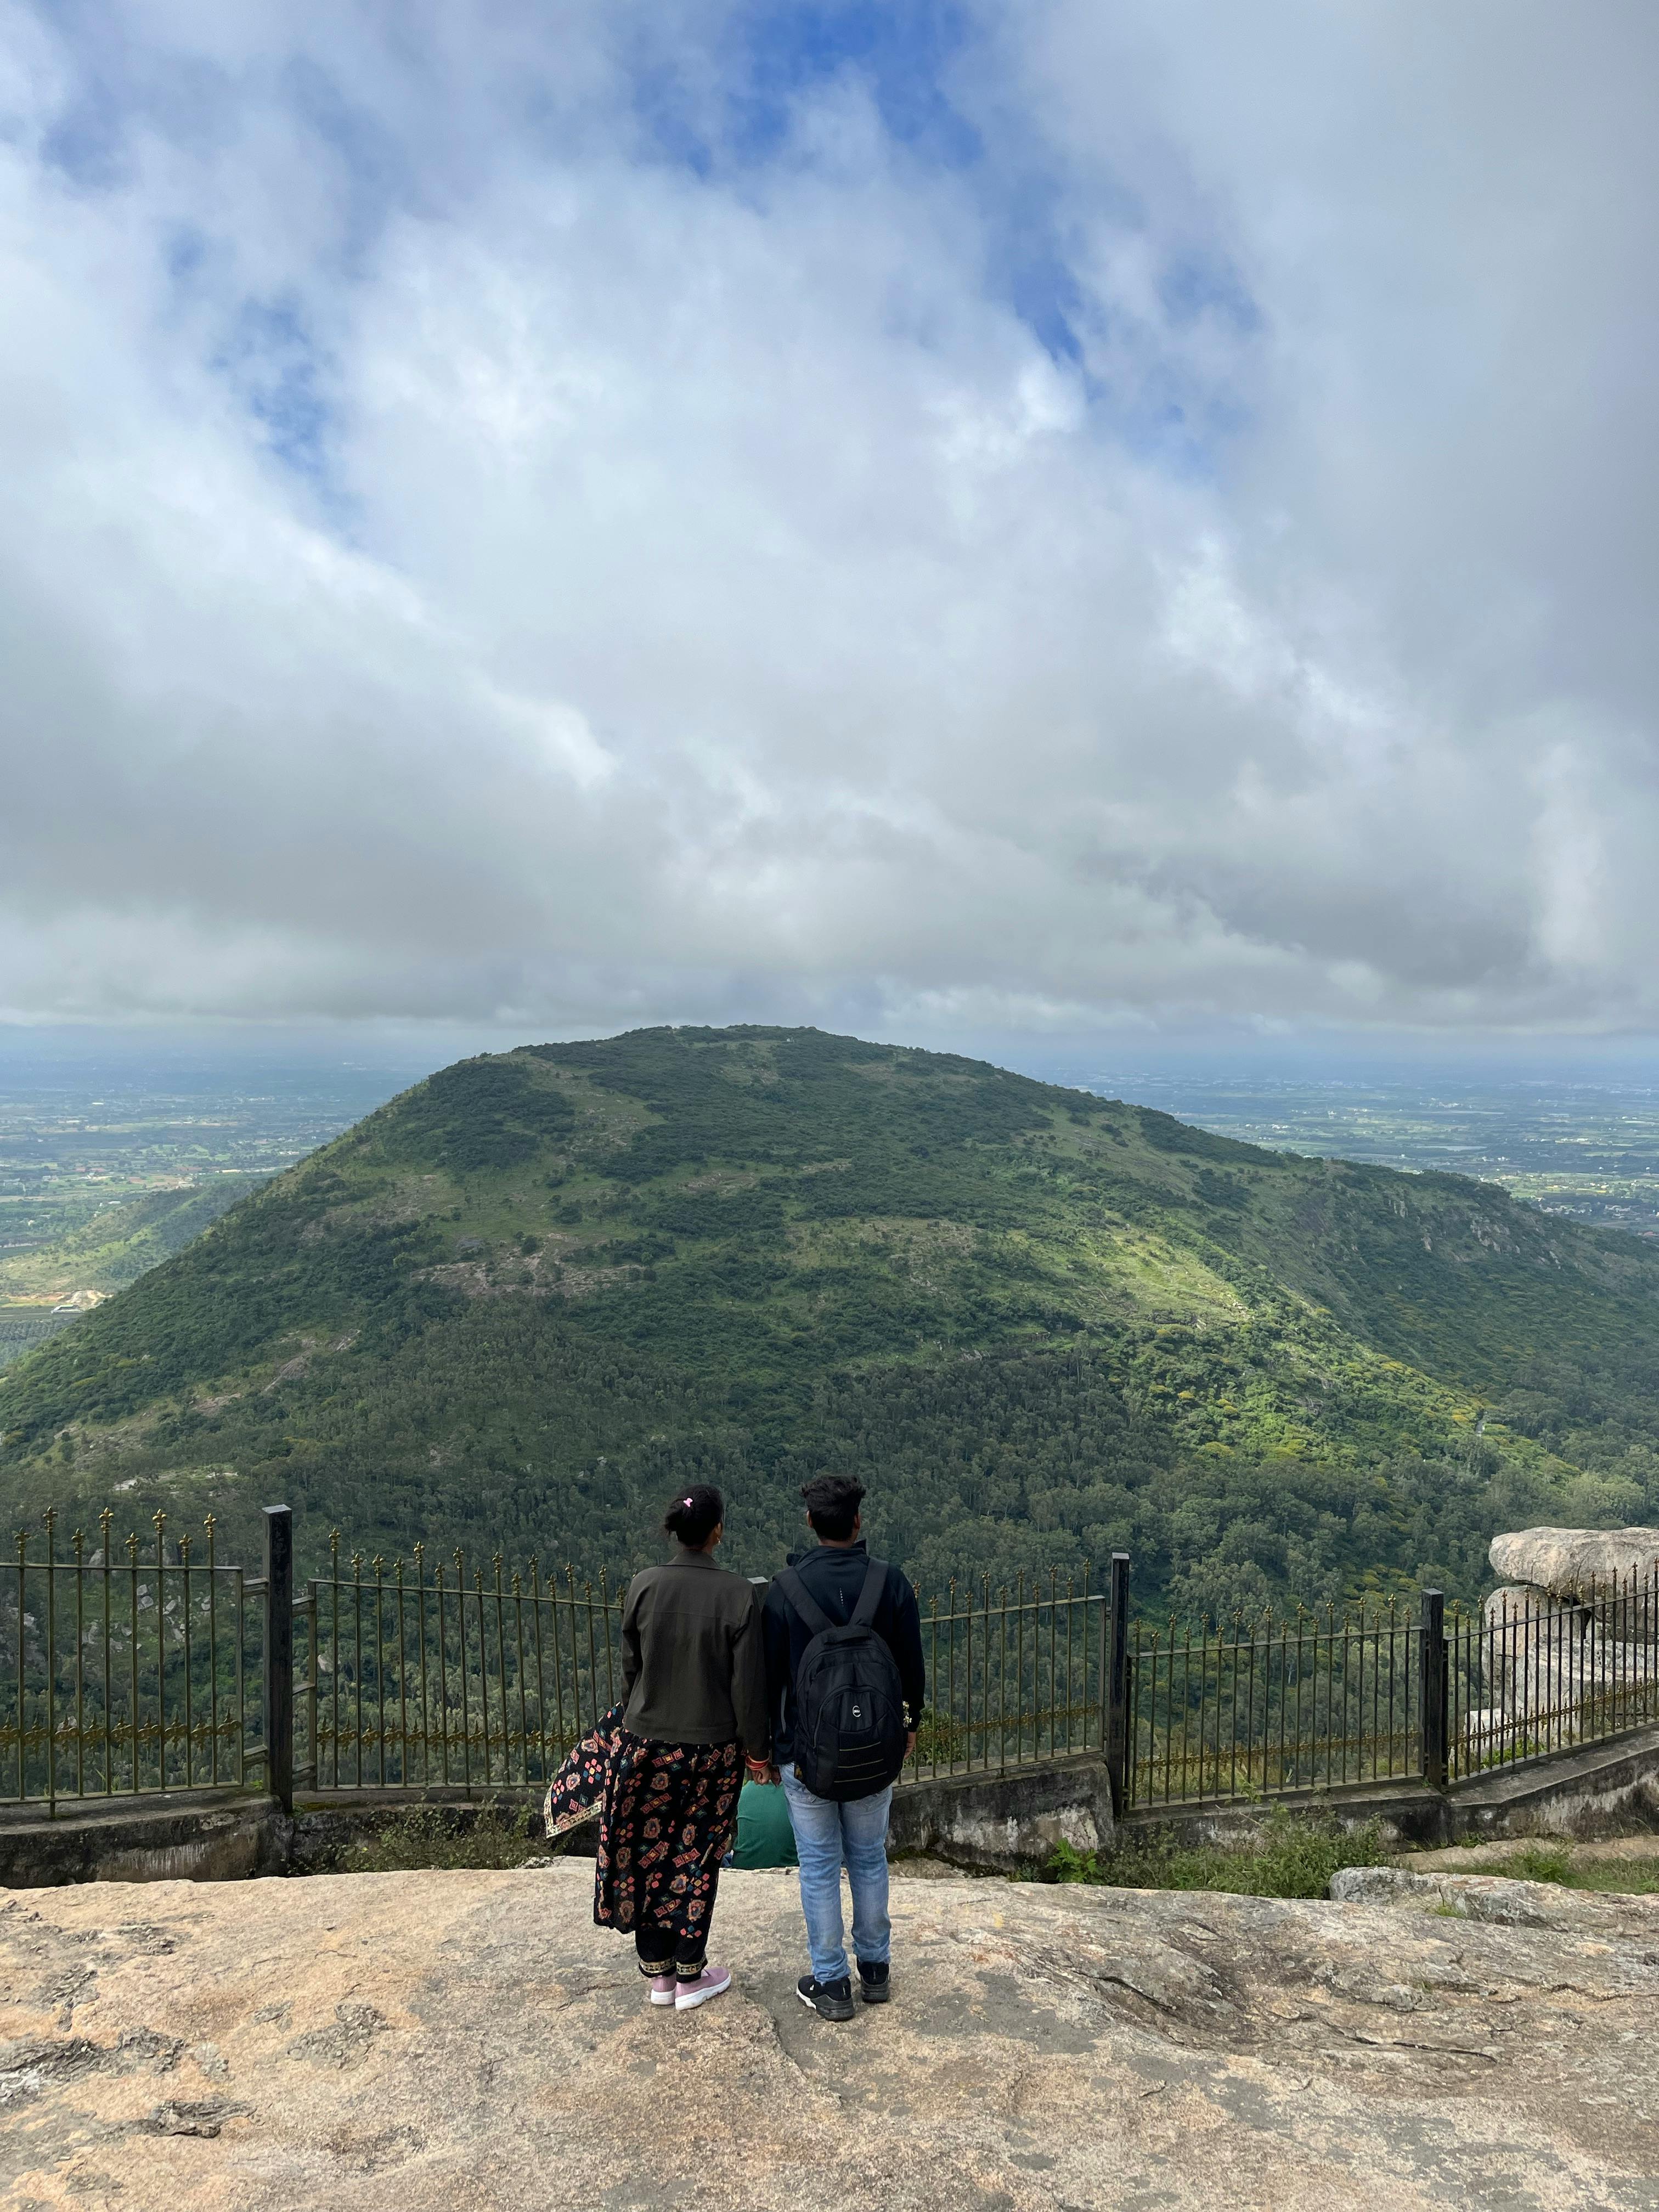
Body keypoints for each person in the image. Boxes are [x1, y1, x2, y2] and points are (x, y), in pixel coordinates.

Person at [595, 1483, 773, 2011]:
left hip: (644, 1744)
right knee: (696, 1857)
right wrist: (757, 1754)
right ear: (717, 1532)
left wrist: (636, 1715)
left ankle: (659, 1978)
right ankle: (692, 1974)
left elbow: (632, 1667)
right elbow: (749, 1687)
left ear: (676, 1533)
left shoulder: (644, 1585)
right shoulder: (739, 1594)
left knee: (648, 1854)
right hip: (711, 1751)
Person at [763, 1473, 926, 2022]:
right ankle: (875, 1971)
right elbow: (910, 1669)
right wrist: (909, 1724)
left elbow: (769, 1680)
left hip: (805, 1756)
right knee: (868, 1856)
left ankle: (832, 1983)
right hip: (876, 1751)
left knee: (818, 1864)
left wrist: (766, 1748)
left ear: (809, 1522)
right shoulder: (891, 1583)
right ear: (858, 1522)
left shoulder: (784, 1592)